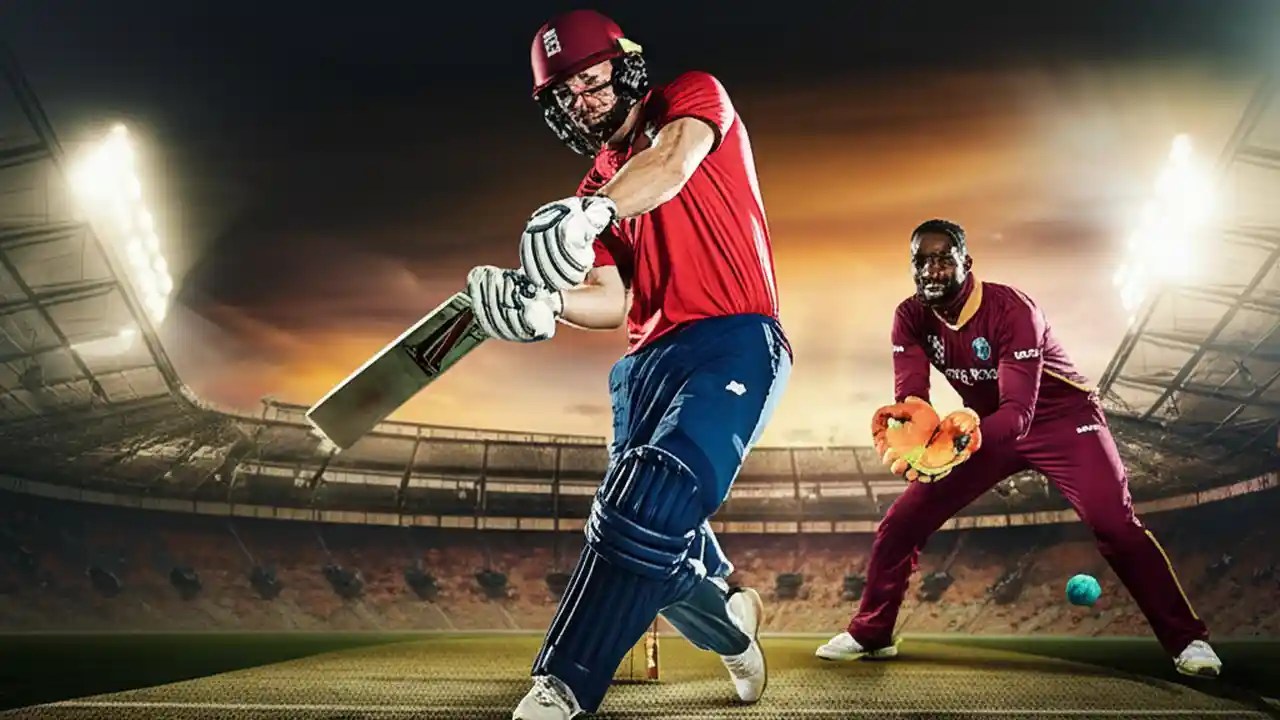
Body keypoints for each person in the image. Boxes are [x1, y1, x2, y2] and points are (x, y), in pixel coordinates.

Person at [462, 9, 791, 719]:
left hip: (733, 336)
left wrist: (592, 216)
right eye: (567, 95)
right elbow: (611, 299)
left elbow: (672, 164)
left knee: (654, 495)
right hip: (642, 367)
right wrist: (546, 308)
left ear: (625, 64)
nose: (584, 100)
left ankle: (563, 686)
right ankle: (734, 628)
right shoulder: (590, 188)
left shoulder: (691, 98)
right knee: (643, 533)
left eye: (591, 79)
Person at [814, 219, 1222, 679]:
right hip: (988, 426)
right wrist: (913, 437)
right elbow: (913, 396)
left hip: (1063, 420)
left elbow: (1020, 414)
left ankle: (1188, 641)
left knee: (1114, 524)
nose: (932, 270)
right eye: (921, 261)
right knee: (902, 521)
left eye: (943, 259)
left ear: (966, 262)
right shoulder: (909, 316)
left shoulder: (1013, 311)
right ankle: (873, 633)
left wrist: (968, 432)